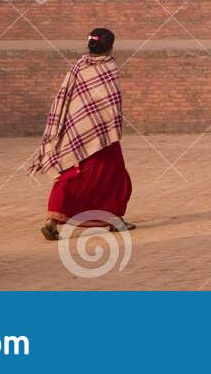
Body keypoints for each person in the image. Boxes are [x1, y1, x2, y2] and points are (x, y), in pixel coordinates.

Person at [30, 28, 134, 238]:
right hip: (104, 137)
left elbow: (64, 98)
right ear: (111, 46)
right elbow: (111, 105)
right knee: (114, 177)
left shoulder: (78, 67)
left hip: (75, 133)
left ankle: (52, 220)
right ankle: (115, 220)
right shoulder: (109, 67)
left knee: (71, 175)